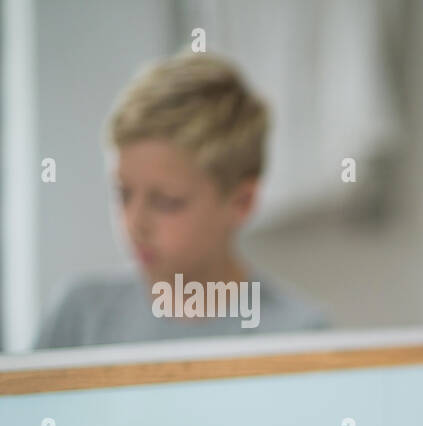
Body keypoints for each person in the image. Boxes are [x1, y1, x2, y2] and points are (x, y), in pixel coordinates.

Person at [36, 51, 328, 349]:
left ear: (242, 202)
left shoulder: (298, 337)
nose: (134, 224)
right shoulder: (80, 318)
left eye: (166, 202)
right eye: (123, 194)